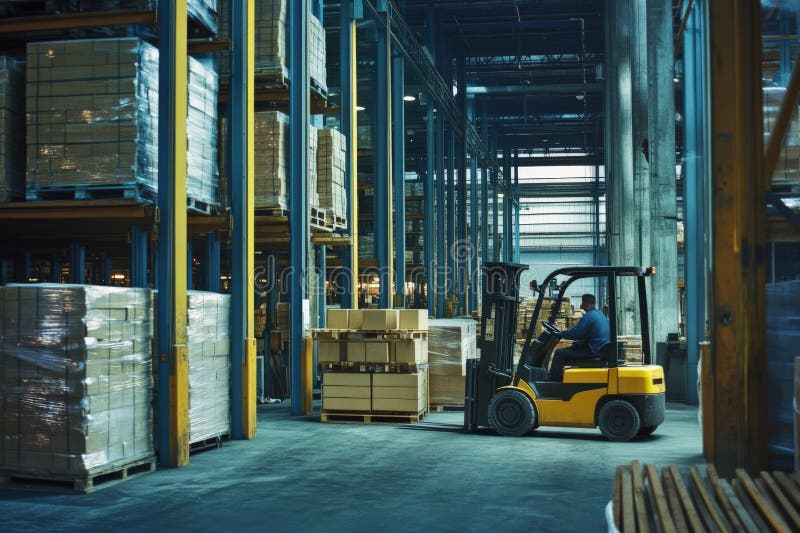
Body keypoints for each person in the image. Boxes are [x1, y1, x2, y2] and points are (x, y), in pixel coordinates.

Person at [549, 293, 610, 381]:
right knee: (569, 349)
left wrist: (561, 334)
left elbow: (577, 333)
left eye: (581, 302)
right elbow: (588, 336)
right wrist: (575, 344)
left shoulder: (589, 316)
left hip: (593, 351)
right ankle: (560, 377)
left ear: (584, 303)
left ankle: (553, 381)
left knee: (559, 353)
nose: (581, 305)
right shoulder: (598, 314)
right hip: (598, 349)